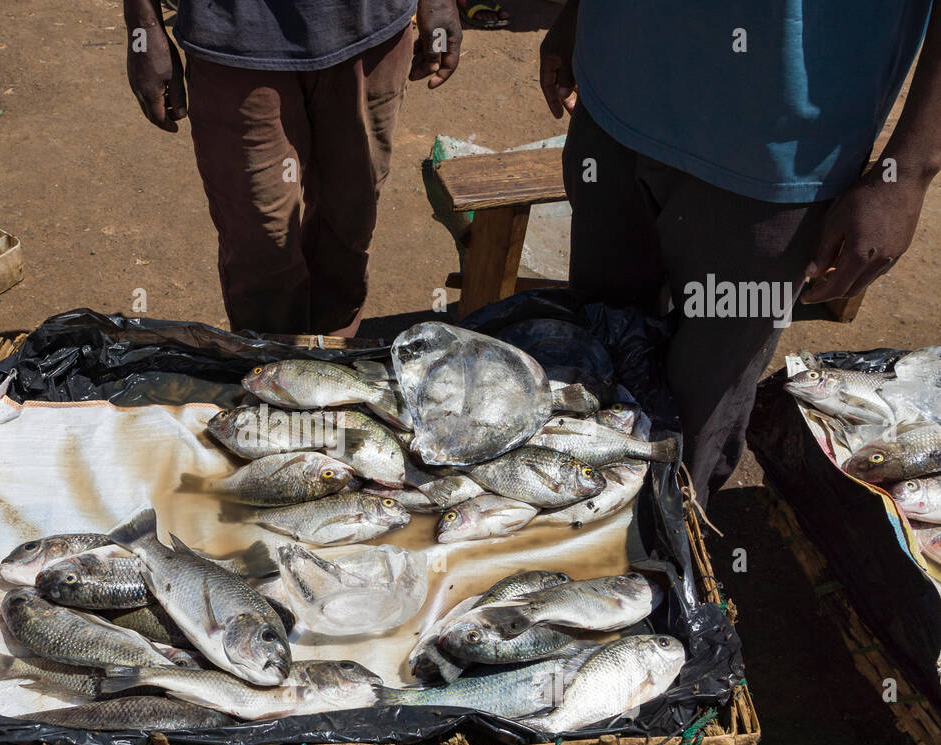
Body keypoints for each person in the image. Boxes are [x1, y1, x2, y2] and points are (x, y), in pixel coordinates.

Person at [538, 0, 939, 505]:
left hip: (779, 157)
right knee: (592, 353)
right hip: (612, 96)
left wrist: (908, 169)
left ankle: (674, 531)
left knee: (701, 400)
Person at [123, 0, 461, 337]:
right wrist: (144, 26)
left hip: (371, 33)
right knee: (261, 245)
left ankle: (331, 366)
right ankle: (273, 367)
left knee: (348, 223)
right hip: (236, 46)